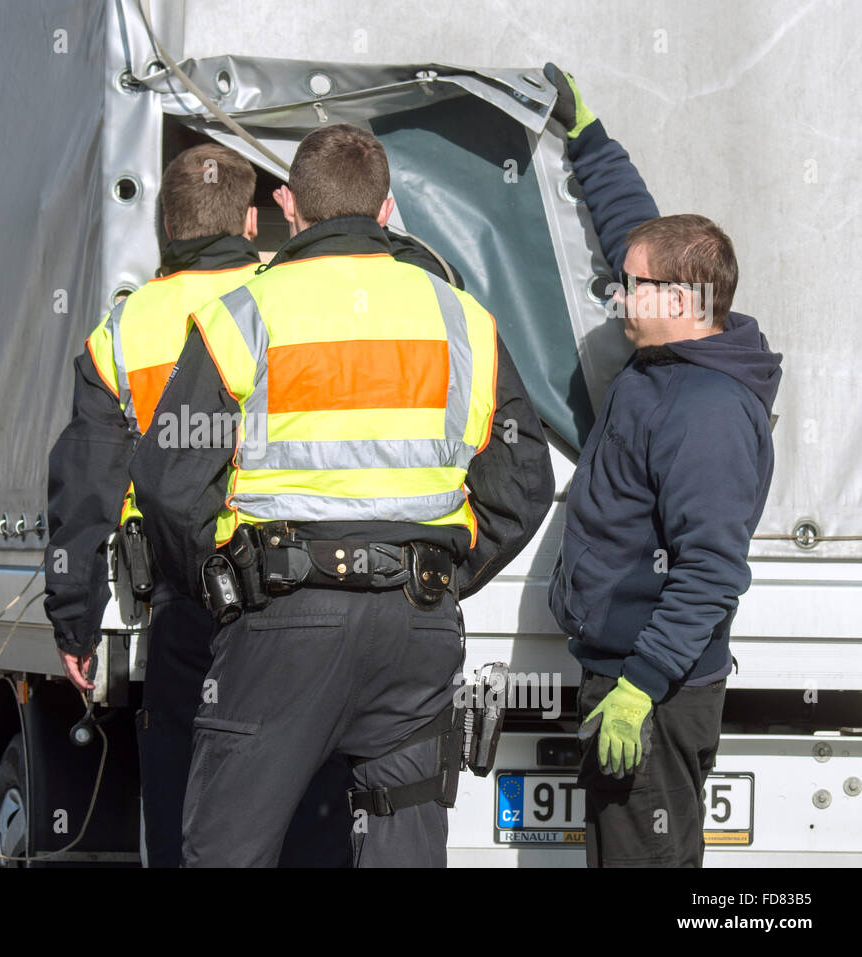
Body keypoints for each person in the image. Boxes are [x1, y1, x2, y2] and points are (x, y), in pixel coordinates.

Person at [129, 123, 555, 867]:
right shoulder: (464, 319)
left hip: (283, 617)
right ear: (387, 209)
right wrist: (444, 571)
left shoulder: (245, 315)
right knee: (403, 837)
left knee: (228, 845)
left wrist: (221, 581)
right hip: (416, 623)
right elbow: (524, 482)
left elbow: (169, 482)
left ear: (291, 207)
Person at [43, 144, 349, 867]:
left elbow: (84, 480)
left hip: (184, 601)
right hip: (300, 592)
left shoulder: (122, 329)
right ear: (251, 220)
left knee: (188, 812)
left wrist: (72, 614)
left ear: (165, 229)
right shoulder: (288, 302)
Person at [542, 64, 782, 867]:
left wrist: (639, 686)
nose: (617, 296)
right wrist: (589, 138)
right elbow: (633, 229)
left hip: (654, 694)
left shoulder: (706, 412)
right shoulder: (676, 345)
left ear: (681, 299)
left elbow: (712, 568)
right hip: (626, 674)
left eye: (630, 287)